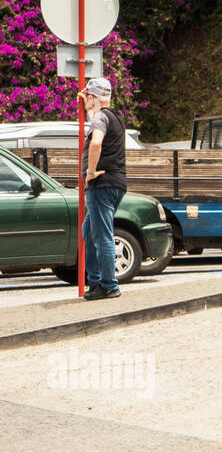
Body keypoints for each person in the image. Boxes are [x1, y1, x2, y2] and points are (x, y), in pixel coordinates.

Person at [78, 77, 127, 300]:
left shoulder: (100, 118)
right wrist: (88, 106)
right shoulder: (114, 116)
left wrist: (90, 172)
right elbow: (97, 121)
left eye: (89, 96)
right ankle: (97, 282)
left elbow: (96, 142)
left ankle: (109, 285)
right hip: (115, 184)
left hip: (101, 184)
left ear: (93, 97)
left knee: (103, 235)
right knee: (89, 232)